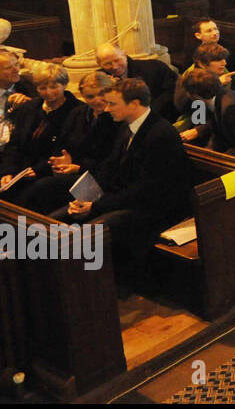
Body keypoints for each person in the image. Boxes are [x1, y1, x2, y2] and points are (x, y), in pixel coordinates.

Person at [52, 78, 192, 278]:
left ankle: (87, 287)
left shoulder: (160, 134)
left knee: (85, 237)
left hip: (152, 208)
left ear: (134, 103)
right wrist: (85, 197)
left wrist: (95, 207)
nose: (107, 109)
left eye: (112, 103)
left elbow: (146, 189)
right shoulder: (126, 126)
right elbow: (109, 167)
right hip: (124, 197)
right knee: (51, 223)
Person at [7, 71, 118, 214]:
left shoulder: (116, 118)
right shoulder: (79, 113)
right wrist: (61, 160)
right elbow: (62, 146)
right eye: (90, 96)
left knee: (40, 189)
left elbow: (111, 159)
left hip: (98, 176)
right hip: (74, 170)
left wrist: (78, 167)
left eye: (102, 94)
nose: (97, 100)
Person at [0, 64, 83, 191]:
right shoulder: (29, 108)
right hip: (20, 169)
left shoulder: (77, 111)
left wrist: (38, 170)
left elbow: (67, 149)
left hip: (49, 171)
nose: (48, 92)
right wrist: (8, 171)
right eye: (42, 88)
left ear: (65, 85)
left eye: (54, 87)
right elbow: (15, 145)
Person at [96, 43, 180, 121]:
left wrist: (146, 114)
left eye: (117, 60)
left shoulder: (155, 67)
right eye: (107, 64)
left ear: (124, 54)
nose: (114, 67)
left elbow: (173, 92)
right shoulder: (99, 78)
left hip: (158, 118)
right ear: (99, 64)